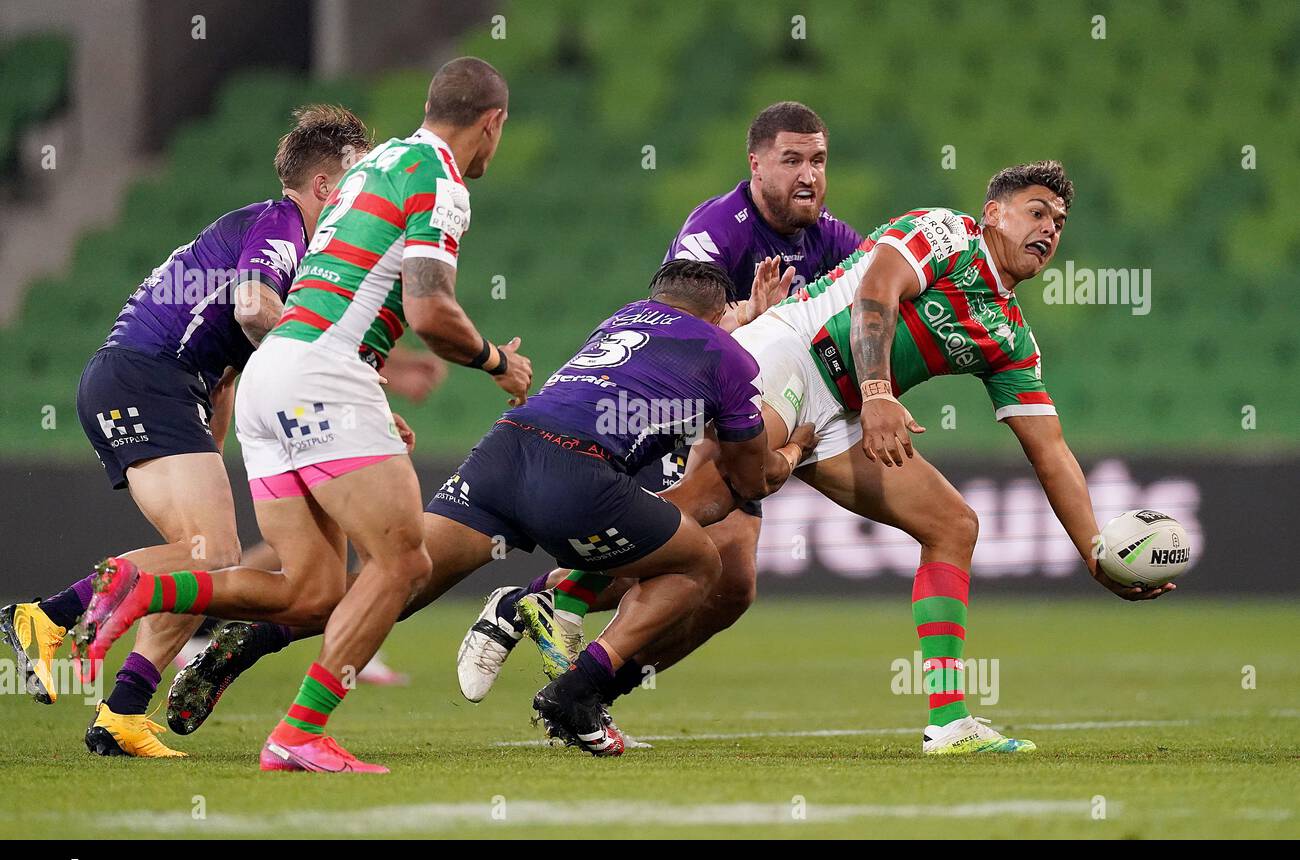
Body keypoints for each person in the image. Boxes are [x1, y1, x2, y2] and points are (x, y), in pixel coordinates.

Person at [552, 161, 1178, 755]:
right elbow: (876, 295)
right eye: (1036, 213)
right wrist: (880, 394)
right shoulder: (945, 233)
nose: (1048, 230)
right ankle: (556, 597)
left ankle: (950, 723)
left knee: (952, 525)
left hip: (841, 414)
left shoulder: (1010, 335)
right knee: (708, 504)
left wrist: (1093, 551)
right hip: (789, 350)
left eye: (1059, 223)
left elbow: (1052, 452)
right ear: (992, 214)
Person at [88, 260, 815, 760]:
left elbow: (697, 331)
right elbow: (749, 474)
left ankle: (250, 642)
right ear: (726, 315)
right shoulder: (727, 355)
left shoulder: (627, 318)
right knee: (698, 559)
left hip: (507, 447)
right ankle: (580, 694)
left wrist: (740, 317)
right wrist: (794, 445)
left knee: (395, 576)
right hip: (576, 477)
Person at [88, 56, 529, 773]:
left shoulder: (374, 164)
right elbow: (429, 308)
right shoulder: (441, 180)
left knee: (313, 589)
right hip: (325, 372)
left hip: (272, 371)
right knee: (402, 558)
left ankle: (148, 585)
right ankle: (299, 731)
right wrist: (496, 363)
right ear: (493, 123)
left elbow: (354, 283)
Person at [457, 100, 863, 702]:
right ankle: (555, 637)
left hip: (745, 415)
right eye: (792, 160)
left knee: (732, 586)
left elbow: (869, 310)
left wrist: (878, 389)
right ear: (756, 165)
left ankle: (570, 655)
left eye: (819, 160)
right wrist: (750, 317)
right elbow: (674, 326)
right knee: (696, 554)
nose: (809, 175)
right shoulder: (715, 229)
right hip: (678, 415)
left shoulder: (831, 237)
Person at [0, 104, 373, 758]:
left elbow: (228, 376)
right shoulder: (280, 225)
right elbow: (254, 308)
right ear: (324, 186)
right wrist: (316, 365)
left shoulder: (284, 243)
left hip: (159, 387)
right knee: (214, 555)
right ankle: (48, 615)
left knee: (200, 564)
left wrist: (218, 454)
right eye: (359, 177)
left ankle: (121, 712)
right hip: (148, 379)